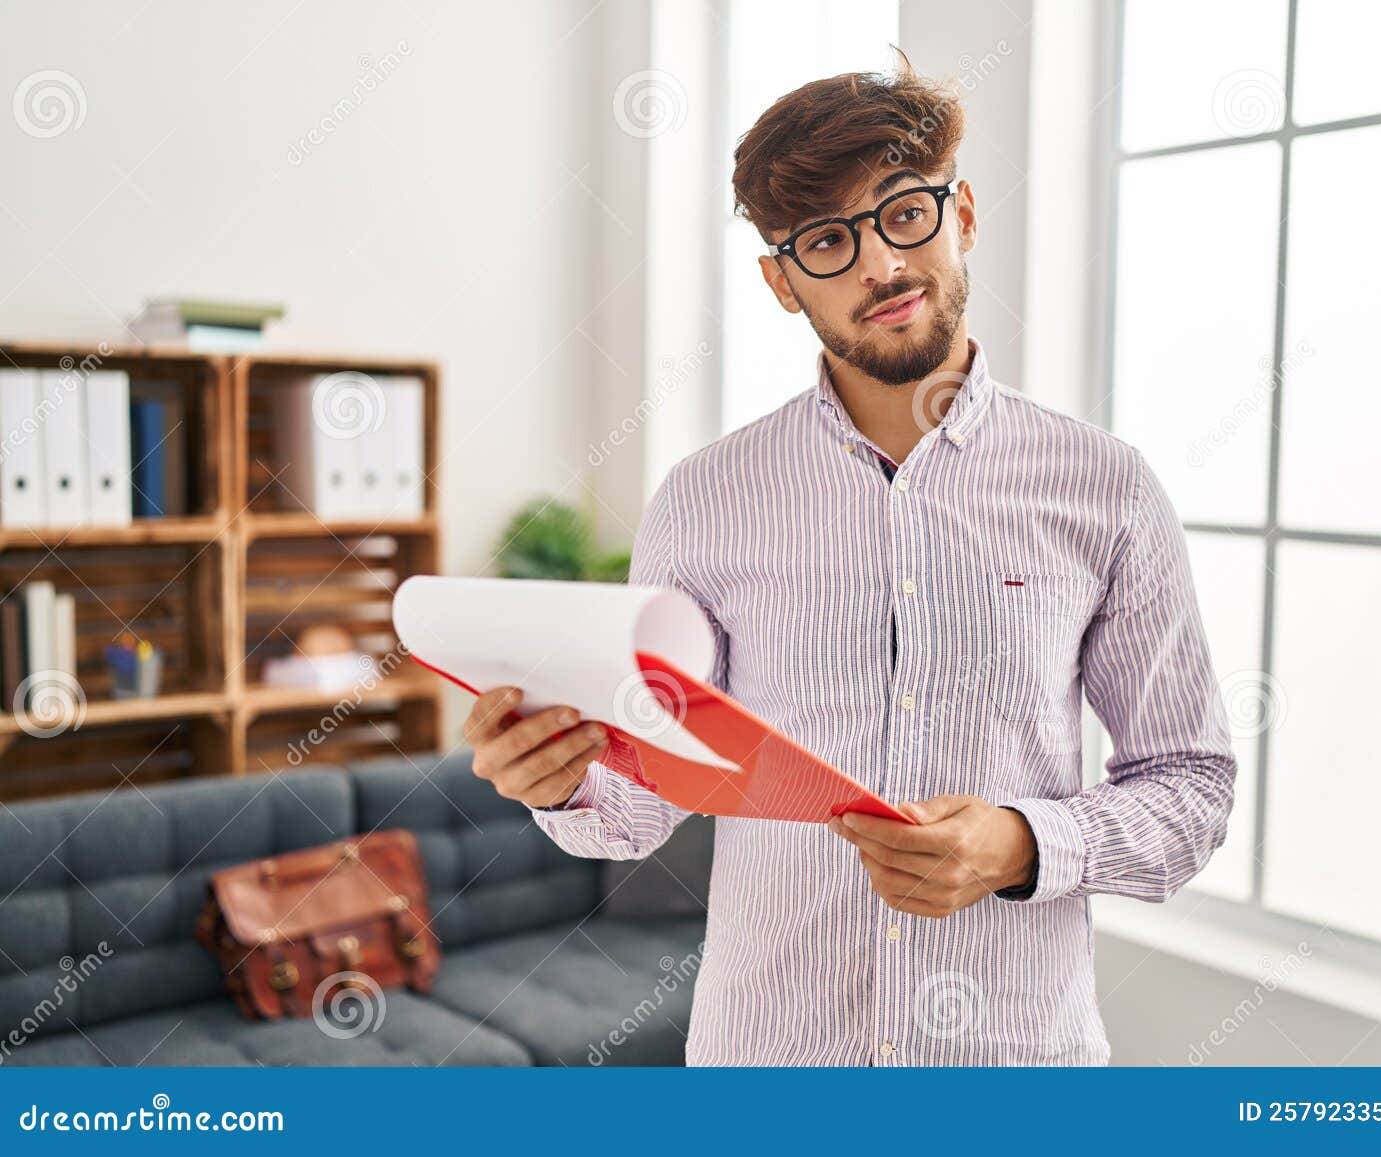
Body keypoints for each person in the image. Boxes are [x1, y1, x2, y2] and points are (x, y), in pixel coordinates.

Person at [463, 52, 1236, 1066]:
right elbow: (639, 807)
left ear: (960, 214)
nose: (879, 265)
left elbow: (1191, 788)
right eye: (828, 240)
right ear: (782, 281)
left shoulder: (1105, 486)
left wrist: (1019, 841)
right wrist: (556, 781)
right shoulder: (703, 499)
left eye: (902, 213)